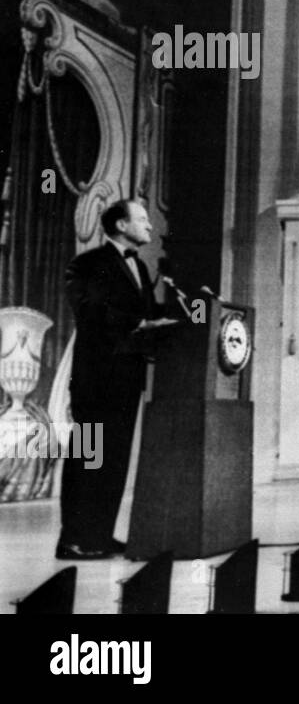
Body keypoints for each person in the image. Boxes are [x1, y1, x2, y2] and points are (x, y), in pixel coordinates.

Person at [58, 199, 175, 560]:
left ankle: (101, 536)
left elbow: (148, 312)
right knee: (88, 460)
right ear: (121, 225)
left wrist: (182, 313)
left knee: (115, 461)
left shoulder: (139, 265)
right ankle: (73, 540)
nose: (150, 227)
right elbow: (89, 309)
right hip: (96, 381)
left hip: (127, 379)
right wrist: (139, 323)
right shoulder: (88, 263)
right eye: (142, 220)